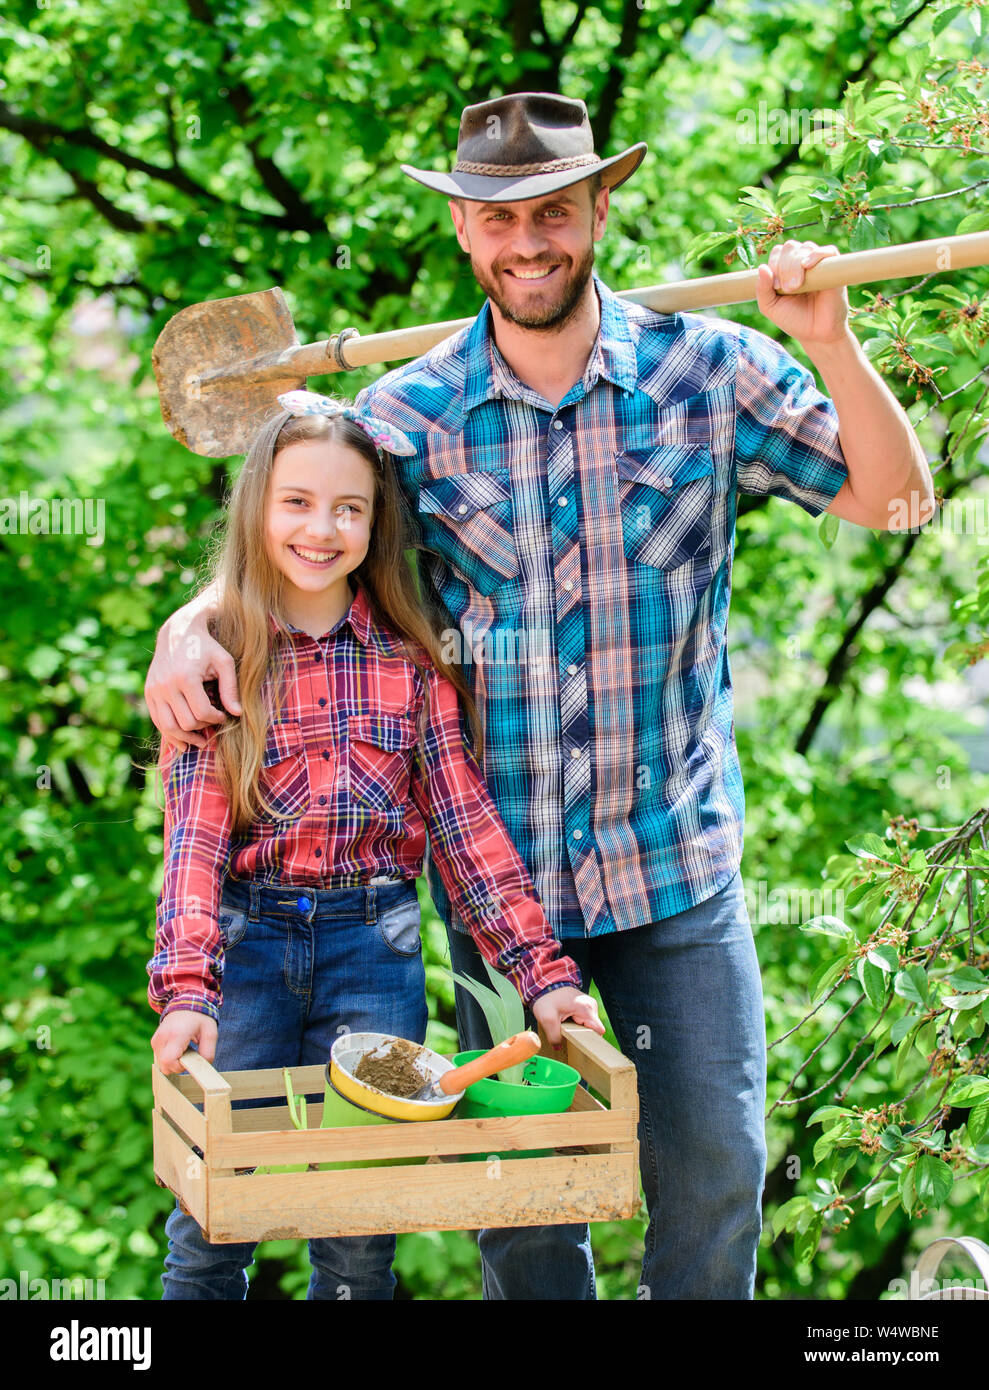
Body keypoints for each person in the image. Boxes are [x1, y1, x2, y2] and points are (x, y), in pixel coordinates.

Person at [144, 92, 936, 1300]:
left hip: (674, 869)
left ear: (598, 207)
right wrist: (185, 624)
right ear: (464, 228)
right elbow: (294, 534)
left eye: (553, 210)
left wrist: (829, 339)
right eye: (498, 217)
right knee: (521, 1210)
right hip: (500, 888)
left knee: (715, 1176)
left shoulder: (709, 373)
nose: (528, 243)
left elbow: (893, 502)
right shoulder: (405, 419)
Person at [147, 388, 604, 1300]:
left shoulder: (407, 660)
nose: (322, 529)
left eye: (348, 508)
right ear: (258, 509)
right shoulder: (217, 655)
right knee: (211, 1216)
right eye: (298, 503)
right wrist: (186, 989)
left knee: (359, 1228)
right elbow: (191, 843)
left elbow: (468, 836)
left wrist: (543, 976)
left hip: (376, 949)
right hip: (248, 947)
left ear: (373, 522)